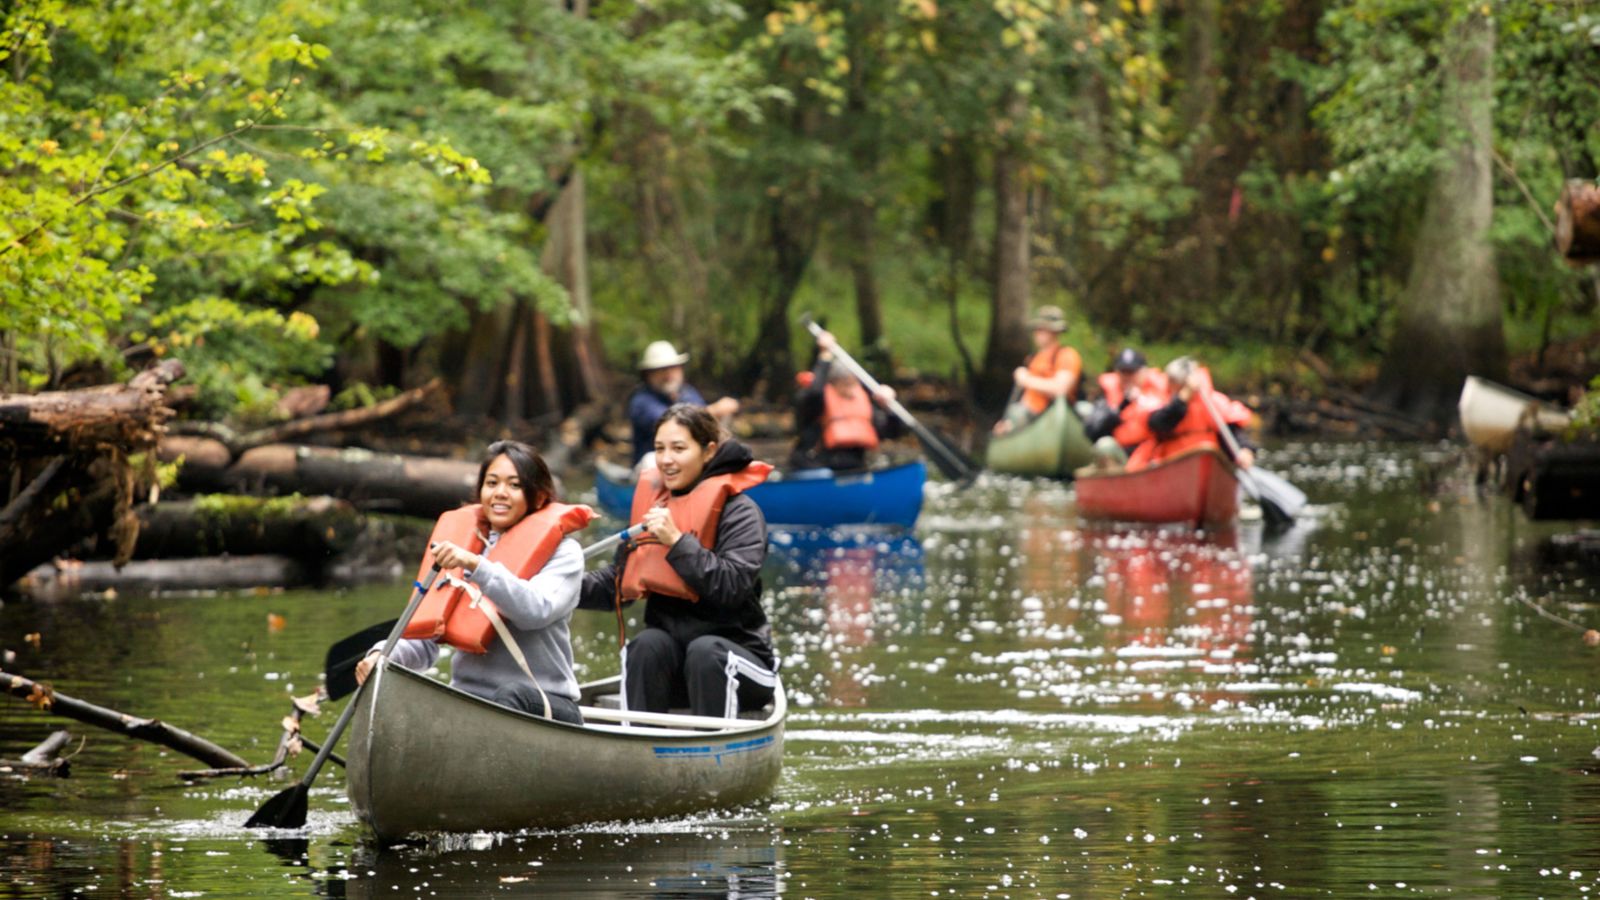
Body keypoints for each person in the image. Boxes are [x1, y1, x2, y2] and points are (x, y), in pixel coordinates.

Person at [355, 440, 593, 724]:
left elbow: (535, 610)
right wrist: (382, 655)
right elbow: (424, 640)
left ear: (539, 497)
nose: (500, 494)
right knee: (403, 686)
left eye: (514, 485)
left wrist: (477, 566)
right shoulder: (460, 545)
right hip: (471, 702)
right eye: (492, 483)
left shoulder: (565, 552)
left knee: (511, 696)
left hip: (544, 704)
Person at [580, 404, 779, 718]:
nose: (666, 459)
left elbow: (732, 587)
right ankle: (641, 754)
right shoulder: (655, 507)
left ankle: (713, 757)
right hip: (676, 667)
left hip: (738, 664)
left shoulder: (740, 512)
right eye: (659, 449)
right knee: (646, 645)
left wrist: (677, 542)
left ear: (708, 451)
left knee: (706, 652)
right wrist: (554, 585)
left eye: (678, 448)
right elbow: (615, 585)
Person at [788, 328, 905, 470]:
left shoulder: (862, 403)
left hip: (852, 469)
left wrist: (889, 407)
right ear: (832, 383)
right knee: (821, 474)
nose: (851, 390)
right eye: (845, 384)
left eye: (853, 383)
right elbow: (815, 392)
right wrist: (825, 356)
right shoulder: (815, 401)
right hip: (813, 466)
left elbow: (893, 432)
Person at [1125, 357, 1256, 472]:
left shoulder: (1212, 402)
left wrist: (1245, 450)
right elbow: (1158, 424)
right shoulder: (1160, 401)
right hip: (1171, 464)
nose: (1171, 387)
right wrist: (1183, 398)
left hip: (1209, 465)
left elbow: (1231, 431)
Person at [626, 340, 740, 466]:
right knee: (650, 461)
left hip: (686, 465)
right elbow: (670, 424)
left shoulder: (687, 393)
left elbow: (702, 424)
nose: (668, 374)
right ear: (648, 375)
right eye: (661, 369)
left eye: (672, 368)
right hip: (652, 469)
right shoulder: (641, 401)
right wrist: (714, 410)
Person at [993, 305, 1083, 435]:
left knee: (1018, 414)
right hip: (1028, 417)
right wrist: (1008, 423)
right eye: (1037, 329)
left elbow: (1061, 389)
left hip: (1051, 418)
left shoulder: (1067, 355)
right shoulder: (1034, 359)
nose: (1037, 333)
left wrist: (1026, 379)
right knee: (1012, 416)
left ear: (1055, 332)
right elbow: (1027, 399)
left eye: (1042, 329)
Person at [1084, 348, 1171, 464]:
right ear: (1116, 372)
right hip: (1121, 454)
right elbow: (1092, 431)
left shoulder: (1159, 390)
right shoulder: (1106, 393)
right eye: (1123, 372)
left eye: (1132, 372)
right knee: (1105, 445)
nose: (1127, 377)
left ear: (1144, 372)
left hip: (1152, 453)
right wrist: (1122, 406)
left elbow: (1167, 425)